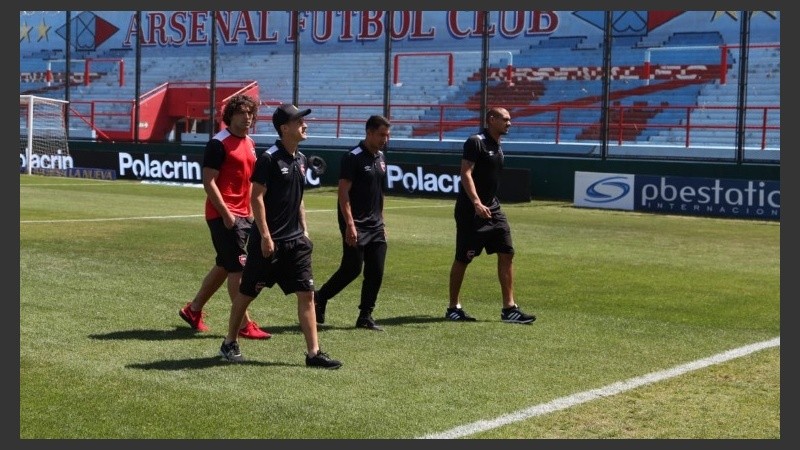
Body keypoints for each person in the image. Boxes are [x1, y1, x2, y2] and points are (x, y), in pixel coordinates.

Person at [219, 103, 342, 369]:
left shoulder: (301, 158)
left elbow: (298, 199)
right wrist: (264, 235)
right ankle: (230, 341)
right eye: (299, 122)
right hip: (269, 243)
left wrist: (305, 231)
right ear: (285, 128)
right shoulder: (269, 159)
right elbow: (257, 198)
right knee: (248, 292)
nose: (305, 125)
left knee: (307, 294)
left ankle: (313, 353)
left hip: (296, 242)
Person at [178, 93, 270, 340]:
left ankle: (192, 310)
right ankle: (243, 324)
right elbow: (208, 182)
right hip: (224, 215)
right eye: (242, 113)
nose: (247, 117)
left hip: (244, 214)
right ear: (230, 115)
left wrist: (251, 210)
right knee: (238, 269)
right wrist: (226, 214)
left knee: (225, 264)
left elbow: (250, 182)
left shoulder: (250, 143)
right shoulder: (218, 143)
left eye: (250, 113)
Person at [446, 106, 536, 324]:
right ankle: (453, 308)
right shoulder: (475, 141)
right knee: (463, 258)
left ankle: (509, 309)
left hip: (493, 208)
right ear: (491, 119)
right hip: (471, 211)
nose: (509, 123)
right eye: (505, 119)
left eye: (510, 119)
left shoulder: (498, 144)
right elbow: (465, 173)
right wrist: (476, 202)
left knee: (507, 252)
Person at [315, 115, 391, 332]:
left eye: (387, 135)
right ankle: (320, 297)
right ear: (369, 132)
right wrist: (349, 225)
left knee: (376, 270)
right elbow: (343, 193)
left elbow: (380, 192)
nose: (385, 139)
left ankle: (365, 315)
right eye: (381, 135)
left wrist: (382, 221)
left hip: (376, 225)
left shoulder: (382, 157)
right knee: (352, 268)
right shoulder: (352, 157)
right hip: (355, 223)